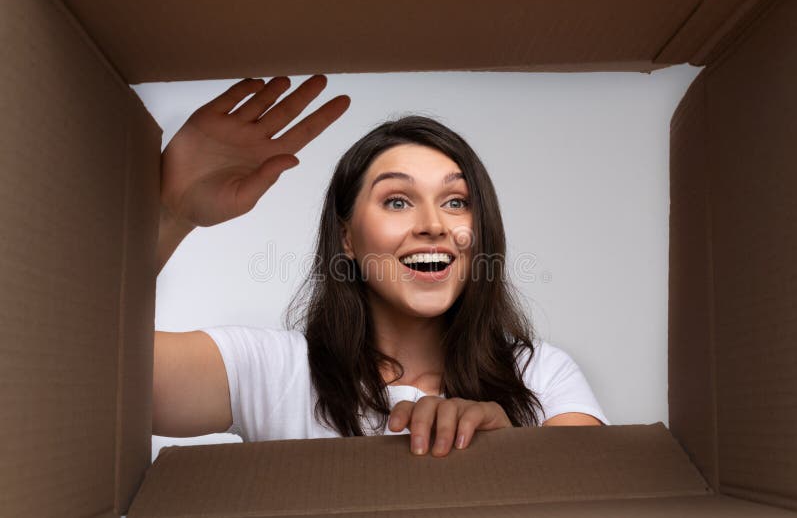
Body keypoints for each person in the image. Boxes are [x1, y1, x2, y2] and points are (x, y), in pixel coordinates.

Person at [154, 74, 609, 458]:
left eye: (456, 201)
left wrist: (503, 454)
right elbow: (91, 378)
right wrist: (169, 212)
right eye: (397, 200)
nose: (433, 225)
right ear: (347, 238)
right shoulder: (268, 370)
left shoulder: (542, 376)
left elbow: (590, 494)